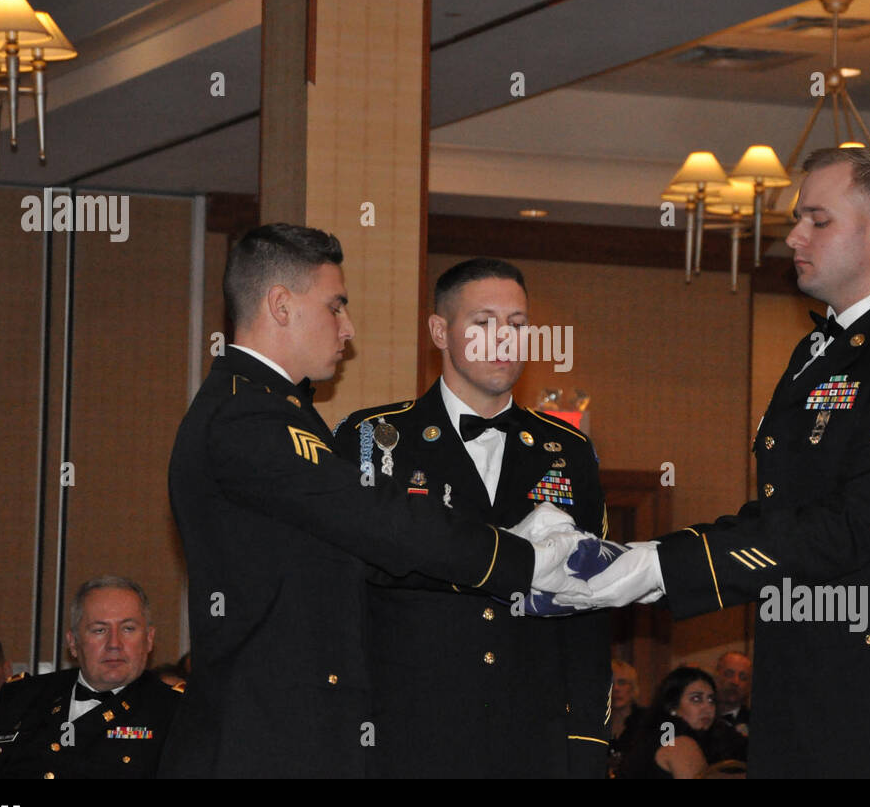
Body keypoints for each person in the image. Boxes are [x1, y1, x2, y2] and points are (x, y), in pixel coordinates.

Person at [571, 146, 870, 779]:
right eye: (799, 218)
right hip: (797, 691)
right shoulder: (816, 353)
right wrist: (645, 561)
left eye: (818, 220)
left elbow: (848, 527)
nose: (794, 235)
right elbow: (779, 516)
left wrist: (659, 567)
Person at [163, 224, 588, 778]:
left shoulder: (272, 410)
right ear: (280, 305)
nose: (348, 327)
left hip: (286, 730)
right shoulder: (251, 417)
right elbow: (381, 522)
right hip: (265, 738)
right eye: (335, 306)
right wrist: (520, 556)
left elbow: (372, 552)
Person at [332, 258, 610, 778]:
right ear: (439, 330)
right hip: (407, 736)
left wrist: (588, 738)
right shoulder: (373, 439)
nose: (503, 339)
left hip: (531, 737)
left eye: (518, 325)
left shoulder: (567, 451)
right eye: (483, 323)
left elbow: (588, 605)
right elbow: (341, 595)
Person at [0, 576, 182, 779]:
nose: (114, 643)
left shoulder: (175, 713)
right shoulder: (23, 696)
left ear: (149, 639)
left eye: (128, 629)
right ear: (72, 642)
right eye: (99, 630)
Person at [619, 666, 717, 780]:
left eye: (711, 700)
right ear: (672, 706)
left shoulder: (658, 733)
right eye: (696, 699)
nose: (707, 707)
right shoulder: (679, 742)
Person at [607, 658, 644, 777]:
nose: (616, 689)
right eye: (611, 683)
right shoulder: (596, 723)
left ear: (633, 688)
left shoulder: (647, 720)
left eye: (622, 682)